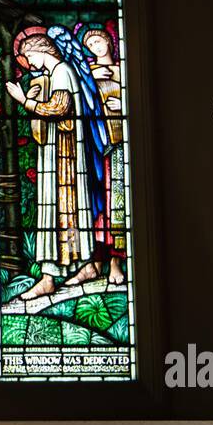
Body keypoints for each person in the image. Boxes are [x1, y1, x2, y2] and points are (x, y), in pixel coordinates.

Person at [5, 29, 96, 299]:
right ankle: (77, 266)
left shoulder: (62, 72)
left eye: (30, 56)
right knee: (61, 208)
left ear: (42, 50)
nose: (29, 63)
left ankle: (58, 273)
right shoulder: (54, 74)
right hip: (56, 149)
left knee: (61, 207)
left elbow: (58, 108)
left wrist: (24, 100)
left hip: (63, 153)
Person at [82, 25, 127, 286]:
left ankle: (115, 261)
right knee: (97, 206)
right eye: (91, 46)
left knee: (116, 206)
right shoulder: (88, 73)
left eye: (98, 42)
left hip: (118, 144)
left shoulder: (122, 71)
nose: (96, 48)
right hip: (95, 145)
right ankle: (95, 261)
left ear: (109, 42)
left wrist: (124, 103)